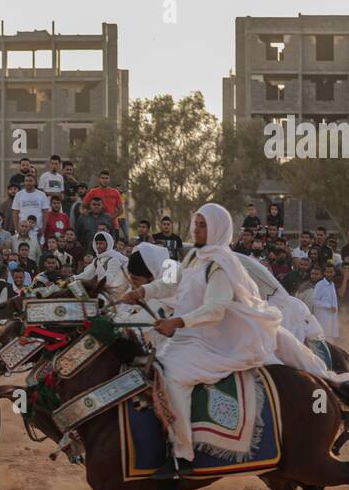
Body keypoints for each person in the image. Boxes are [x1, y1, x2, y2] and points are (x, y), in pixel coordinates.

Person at [120, 203, 282, 475]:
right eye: (196, 224)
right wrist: (143, 292)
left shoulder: (220, 265)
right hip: (187, 335)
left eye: (203, 225)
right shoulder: (192, 256)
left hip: (211, 341)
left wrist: (178, 321)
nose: (196, 229)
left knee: (171, 377)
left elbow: (215, 309)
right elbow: (168, 281)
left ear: (218, 228)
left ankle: (182, 455)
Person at [75, 230, 129, 300]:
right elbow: (87, 274)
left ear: (107, 244)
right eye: (96, 243)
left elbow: (109, 278)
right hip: (99, 290)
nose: (98, 246)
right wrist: (74, 278)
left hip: (112, 294)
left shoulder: (113, 259)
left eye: (101, 244)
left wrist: (91, 283)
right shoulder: (97, 260)